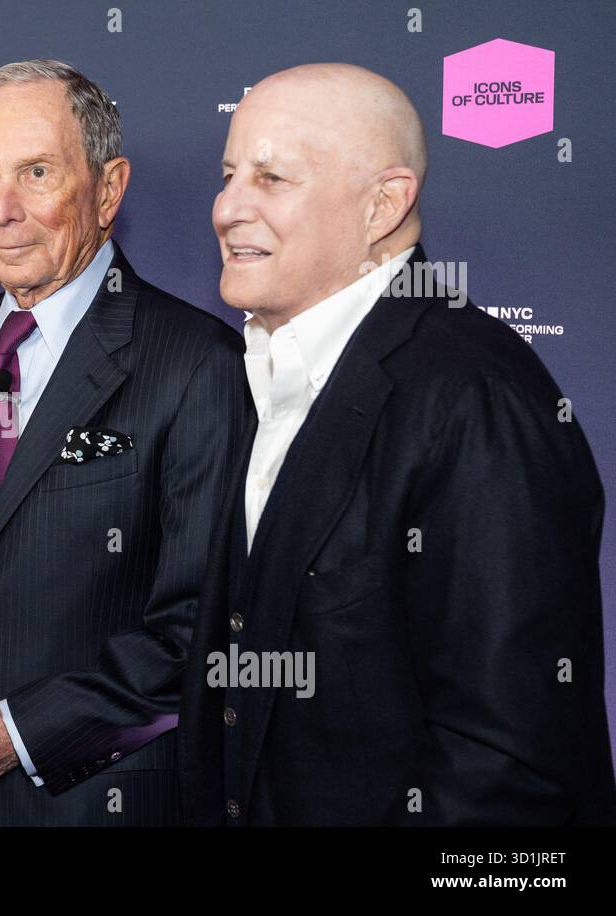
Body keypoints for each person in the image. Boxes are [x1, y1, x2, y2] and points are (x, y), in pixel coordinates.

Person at [179, 62, 615, 825]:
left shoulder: (478, 400)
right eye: (228, 173)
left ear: (384, 203)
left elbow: (509, 768)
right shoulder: (264, 370)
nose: (226, 207)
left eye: (272, 177)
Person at [0, 59, 250, 826]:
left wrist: (16, 732)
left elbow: (200, 632)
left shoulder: (194, 362)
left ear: (108, 191)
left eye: (36, 173)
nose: (1, 210)